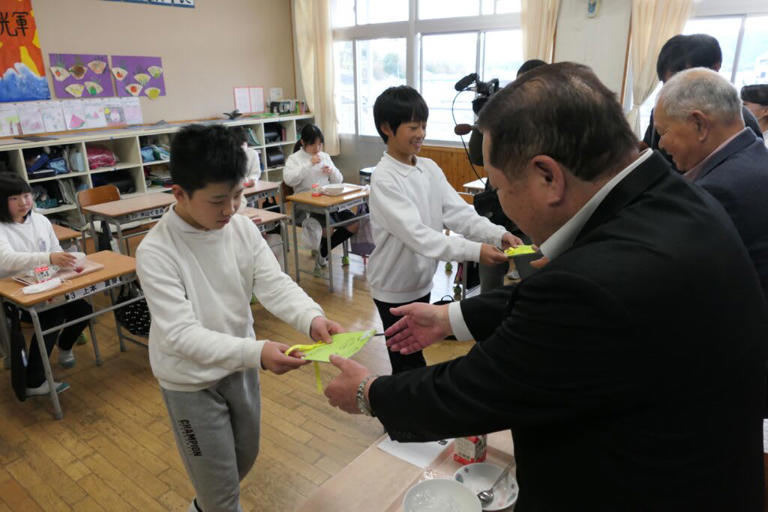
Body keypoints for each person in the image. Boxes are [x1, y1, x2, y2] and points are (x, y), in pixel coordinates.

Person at [325, 63, 768, 510]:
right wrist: (453, 315)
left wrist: (368, 392)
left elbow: (478, 387)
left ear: (548, 177)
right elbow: (558, 301)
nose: (503, 206)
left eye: (500, 188)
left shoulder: (595, 281)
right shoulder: (675, 198)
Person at [136, 124, 342, 512]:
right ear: (179, 194)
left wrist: (311, 317)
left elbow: (273, 284)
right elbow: (181, 336)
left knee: (243, 458)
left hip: (240, 367)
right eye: (218, 200)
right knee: (221, 492)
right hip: (190, 382)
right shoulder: (156, 252)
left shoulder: (241, 228)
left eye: (237, 195)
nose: (230, 209)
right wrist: (257, 352)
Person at [367, 85, 520, 374]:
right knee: (407, 361)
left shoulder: (428, 168)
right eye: (413, 127)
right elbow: (420, 237)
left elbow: (459, 213)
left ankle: (408, 400)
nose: (421, 133)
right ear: (387, 128)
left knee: (414, 354)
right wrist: (476, 251)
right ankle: (400, 403)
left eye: (423, 126)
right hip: (393, 287)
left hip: (421, 281)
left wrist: (497, 234)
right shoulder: (385, 178)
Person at [654, 67, 768, 298]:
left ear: (699, 124)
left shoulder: (717, 191)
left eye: (663, 132)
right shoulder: (756, 155)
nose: (660, 145)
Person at [0, 173, 91, 396]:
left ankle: (65, 345)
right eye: (14, 198)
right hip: (14, 292)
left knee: (83, 309)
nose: (23, 202)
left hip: (47, 283)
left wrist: (65, 261)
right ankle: (34, 381)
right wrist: (49, 258)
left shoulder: (40, 220)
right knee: (52, 317)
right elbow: (6, 260)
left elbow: (55, 249)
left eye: (26, 195)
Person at [642, 33, 763, 169]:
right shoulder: (662, 113)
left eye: (680, 84)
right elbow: (650, 150)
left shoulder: (740, 121)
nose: (671, 94)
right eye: (666, 85)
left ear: (714, 69)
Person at [478, 59, 546, 292]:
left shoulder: (552, 124)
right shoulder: (504, 118)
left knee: (534, 286)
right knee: (489, 287)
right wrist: (485, 116)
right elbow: (478, 156)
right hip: (496, 218)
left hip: (531, 225)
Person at [283, 124, 358, 272]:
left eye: (320, 144)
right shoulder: (294, 159)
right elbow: (289, 180)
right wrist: (309, 164)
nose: (317, 148)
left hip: (328, 202)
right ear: (303, 143)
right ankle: (322, 252)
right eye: (313, 144)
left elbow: (339, 180)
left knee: (354, 223)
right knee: (327, 228)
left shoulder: (325, 156)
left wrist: (331, 172)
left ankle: (323, 251)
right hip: (306, 206)